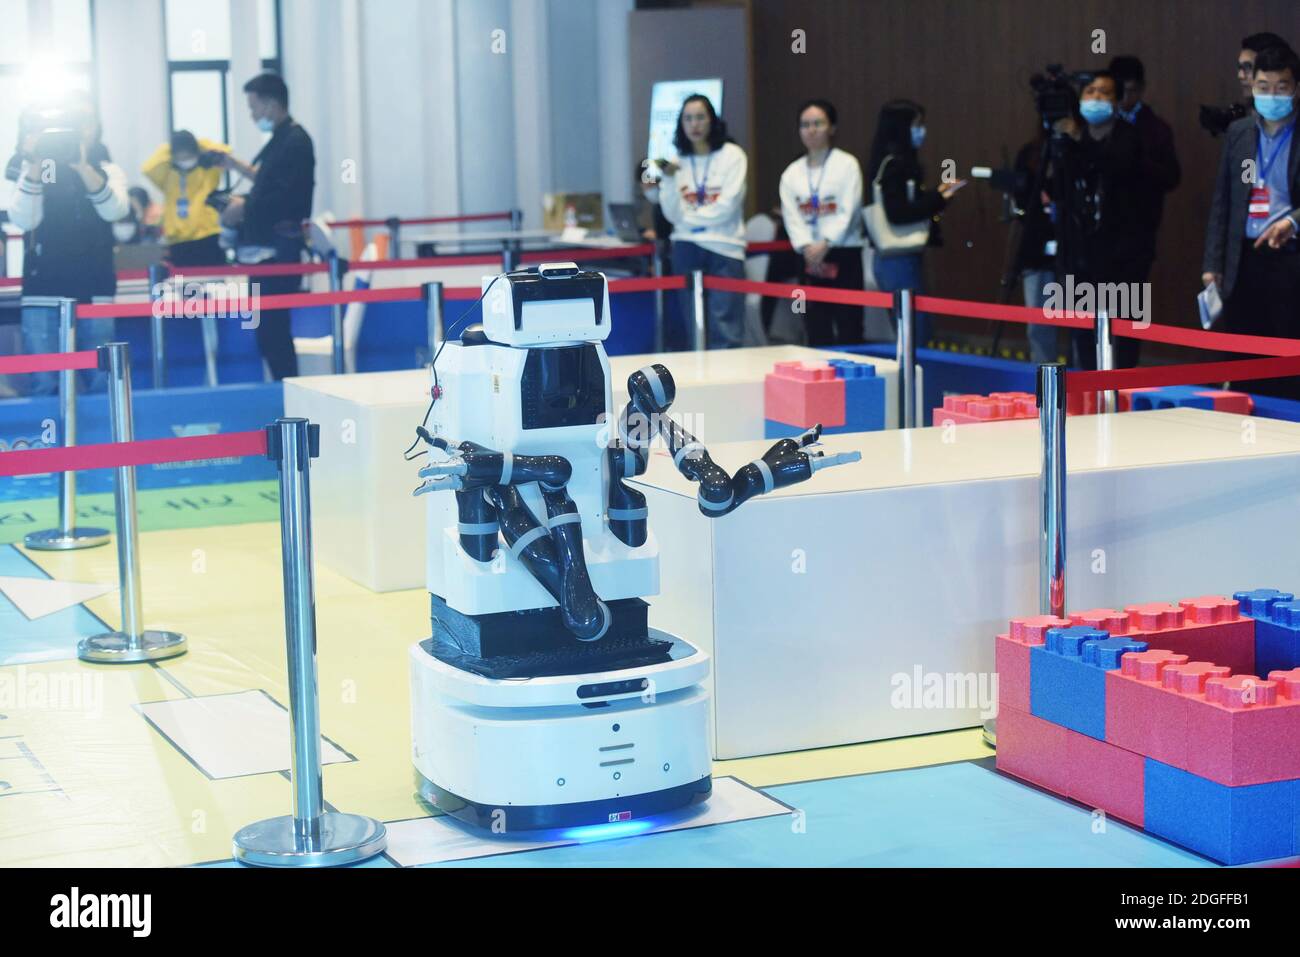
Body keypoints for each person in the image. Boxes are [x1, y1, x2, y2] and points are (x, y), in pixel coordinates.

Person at [6, 98, 127, 396]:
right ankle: (52, 442)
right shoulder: (39, 169)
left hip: (94, 283)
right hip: (43, 283)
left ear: (95, 128)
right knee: (45, 379)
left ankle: (110, 443)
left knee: (103, 378)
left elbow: (116, 211)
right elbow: (24, 218)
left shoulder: (105, 167)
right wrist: (35, 162)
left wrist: (82, 166)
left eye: (84, 122)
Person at [1202, 45, 1300, 399]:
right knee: (1244, 353)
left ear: (1296, 89)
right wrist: (1212, 264)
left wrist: (1294, 222)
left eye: (1281, 87)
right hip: (1242, 257)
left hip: (1290, 257)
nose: (1271, 95)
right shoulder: (1240, 132)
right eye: (1263, 87)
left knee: (1286, 353)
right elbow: (1222, 202)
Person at [219, 72, 315, 379]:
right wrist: (234, 170)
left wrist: (243, 207)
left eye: (253, 107)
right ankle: (280, 390)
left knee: (274, 331)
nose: (252, 114)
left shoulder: (296, 141)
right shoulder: (281, 139)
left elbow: (286, 197)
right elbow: (268, 184)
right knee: (266, 331)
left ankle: (286, 395)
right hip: (266, 250)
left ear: (272, 104)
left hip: (279, 250)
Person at [1047, 71, 1145, 369]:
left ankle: (1123, 402)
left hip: (1123, 258)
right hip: (1079, 256)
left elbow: (1117, 168)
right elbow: (1056, 190)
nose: (1096, 98)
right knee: (1083, 342)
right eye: (1089, 92)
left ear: (1118, 101)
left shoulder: (1130, 137)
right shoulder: (1068, 140)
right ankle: (1087, 400)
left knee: (1123, 342)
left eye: (1104, 93)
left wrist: (1078, 138)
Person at [648, 94, 748, 350]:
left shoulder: (732, 155)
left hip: (724, 246)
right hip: (686, 247)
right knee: (693, 327)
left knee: (725, 327)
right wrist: (669, 180)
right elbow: (671, 215)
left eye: (701, 117)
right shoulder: (676, 162)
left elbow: (727, 206)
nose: (694, 124)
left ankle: (729, 383)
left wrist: (689, 220)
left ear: (712, 120)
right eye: (688, 118)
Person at [865, 99, 963, 348]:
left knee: (912, 329)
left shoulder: (888, 161)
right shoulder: (895, 164)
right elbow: (898, 213)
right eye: (917, 125)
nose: (922, 131)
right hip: (897, 259)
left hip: (898, 257)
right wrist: (938, 198)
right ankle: (917, 384)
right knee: (914, 333)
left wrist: (934, 196)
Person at [779, 99, 865, 346]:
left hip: (843, 252)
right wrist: (807, 247)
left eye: (818, 123)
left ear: (832, 128)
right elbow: (792, 216)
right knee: (815, 325)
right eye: (805, 124)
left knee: (850, 324)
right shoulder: (791, 173)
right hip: (807, 256)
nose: (811, 130)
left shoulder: (847, 165)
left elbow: (849, 209)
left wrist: (827, 242)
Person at [140, 129, 230, 266]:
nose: (185, 161)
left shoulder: (209, 169)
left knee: (213, 285)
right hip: (178, 242)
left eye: (188, 157)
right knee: (184, 286)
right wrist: (169, 147)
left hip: (208, 237)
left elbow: (224, 151)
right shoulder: (168, 174)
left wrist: (198, 145)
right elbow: (148, 168)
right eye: (180, 158)